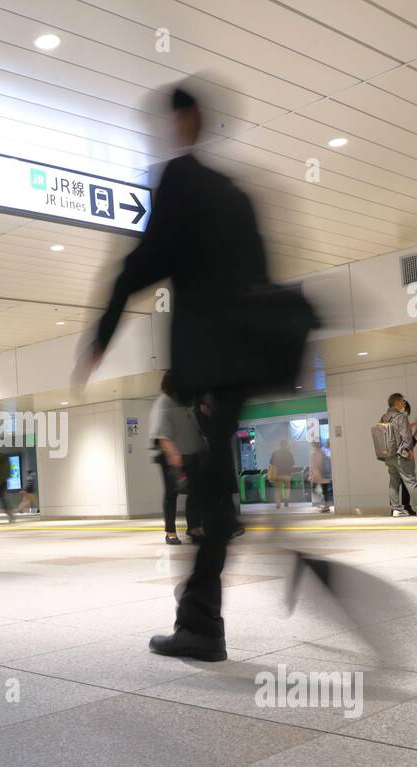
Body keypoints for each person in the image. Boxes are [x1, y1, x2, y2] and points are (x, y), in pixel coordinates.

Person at [79, 82, 275, 661]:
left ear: (184, 120)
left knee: (213, 494)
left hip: (211, 360)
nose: (163, 132)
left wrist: (102, 331)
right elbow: (261, 272)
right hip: (242, 360)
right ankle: (200, 617)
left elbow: (144, 260)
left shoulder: (181, 181)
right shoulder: (238, 194)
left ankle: (201, 623)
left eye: (167, 121)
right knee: (215, 488)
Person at [150, 372, 204, 545]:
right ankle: (170, 532)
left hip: (190, 455)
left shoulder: (184, 403)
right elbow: (161, 433)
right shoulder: (164, 402)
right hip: (169, 456)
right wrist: (173, 453)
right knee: (171, 494)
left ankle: (194, 527)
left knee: (196, 491)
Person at [380, 394, 417, 517]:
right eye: (402, 401)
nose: (403, 403)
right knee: (411, 481)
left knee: (394, 482)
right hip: (401, 455)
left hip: (389, 455)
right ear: (397, 402)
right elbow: (406, 438)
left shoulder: (384, 417)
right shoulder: (401, 417)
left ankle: (396, 509)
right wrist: (410, 452)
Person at [268, 439, 294, 510]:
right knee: (287, 487)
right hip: (287, 473)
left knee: (278, 489)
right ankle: (286, 500)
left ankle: (278, 504)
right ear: (286, 445)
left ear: (279, 445)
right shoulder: (289, 453)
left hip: (278, 473)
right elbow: (292, 463)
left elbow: (271, 462)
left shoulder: (275, 452)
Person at [308, 442, 331, 513]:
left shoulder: (314, 454)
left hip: (318, 476)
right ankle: (325, 505)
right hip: (326, 475)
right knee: (325, 491)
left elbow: (313, 466)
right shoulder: (324, 452)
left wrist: (313, 475)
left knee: (314, 489)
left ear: (314, 446)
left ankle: (324, 505)